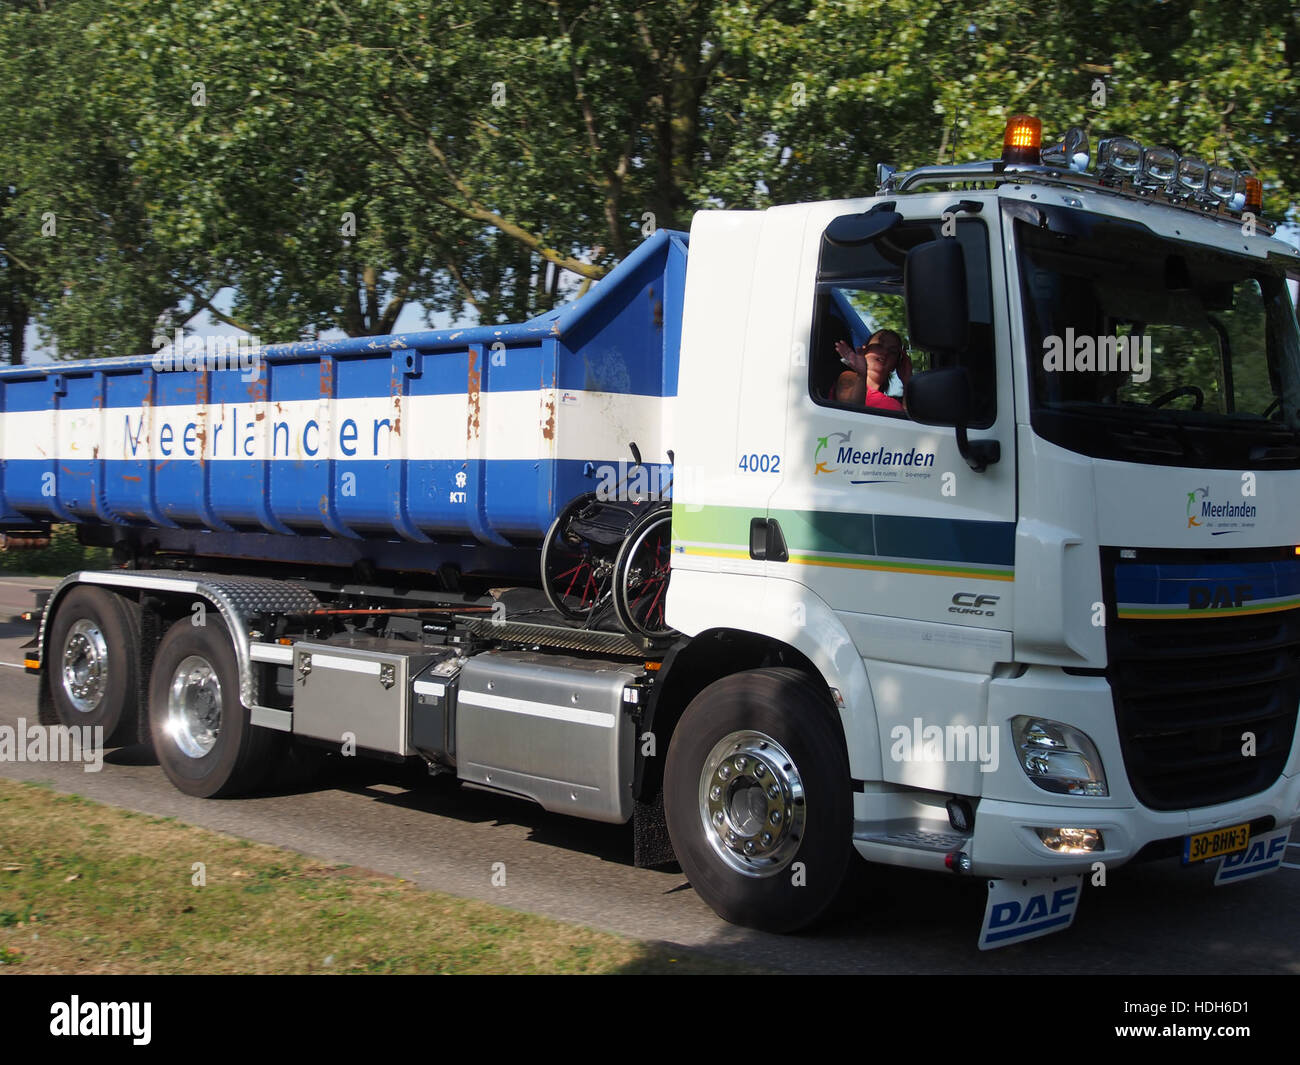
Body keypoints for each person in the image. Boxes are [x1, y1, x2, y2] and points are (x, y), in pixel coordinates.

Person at [834, 328, 912, 411]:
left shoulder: (896, 403)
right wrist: (862, 375)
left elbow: (910, 417)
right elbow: (850, 408)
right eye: (879, 345)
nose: (885, 352)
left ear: (895, 365)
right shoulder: (848, 377)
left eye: (893, 351)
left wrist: (907, 382)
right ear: (864, 351)